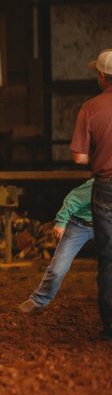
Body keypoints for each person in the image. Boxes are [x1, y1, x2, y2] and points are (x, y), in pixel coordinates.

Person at [70, 49, 112, 340]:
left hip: (106, 186)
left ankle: (110, 328)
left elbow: (80, 159)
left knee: (108, 257)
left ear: (101, 76)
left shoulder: (90, 108)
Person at [19, 179, 93, 314]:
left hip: (105, 224)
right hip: (79, 225)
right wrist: (61, 221)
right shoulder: (101, 182)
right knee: (58, 268)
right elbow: (73, 198)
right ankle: (38, 301)